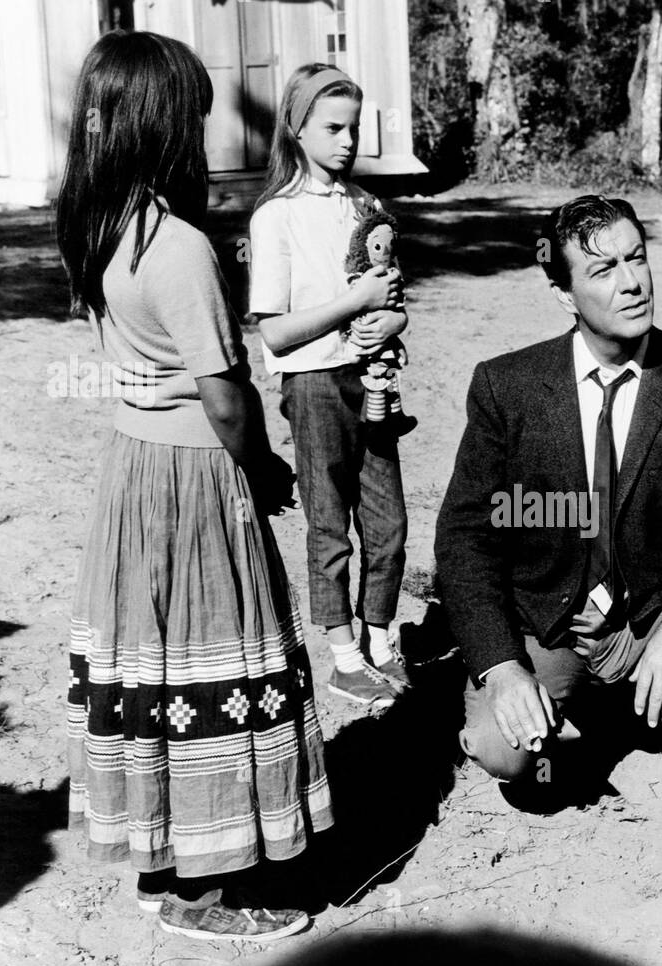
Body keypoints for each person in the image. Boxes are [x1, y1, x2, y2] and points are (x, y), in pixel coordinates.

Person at [58, 31, 331, 942]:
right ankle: (210, 891)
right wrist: (263, 467)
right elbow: (224, 396)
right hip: (192, 478)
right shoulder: (178, 246)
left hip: (136, 473)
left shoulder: (102, 222)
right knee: (215, 654)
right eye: (196, 114)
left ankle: (163, 856)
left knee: (159, 664)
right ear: (164, 124)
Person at [435, 194, 662, 851]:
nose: (631, 282)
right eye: (602, 269)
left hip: (653, 609)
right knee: (508, 759)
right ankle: (588, 709)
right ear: (563, 292)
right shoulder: (508, 386)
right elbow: (464, 538)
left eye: (637, 259)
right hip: (552, 615)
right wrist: (504, 666)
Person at [249, 63, 409, 708]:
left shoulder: (366, 208)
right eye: (333, 128)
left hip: (371, 381)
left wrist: (386, 317)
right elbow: (277, 333)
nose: (347, 141)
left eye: (355, 127)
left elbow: (396, 298)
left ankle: (379, 640)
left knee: (389, 521)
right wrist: (355, 303)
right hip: (312, 383)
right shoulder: (276, 218)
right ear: (296, 128)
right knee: (328, 523)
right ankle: (342, 657)